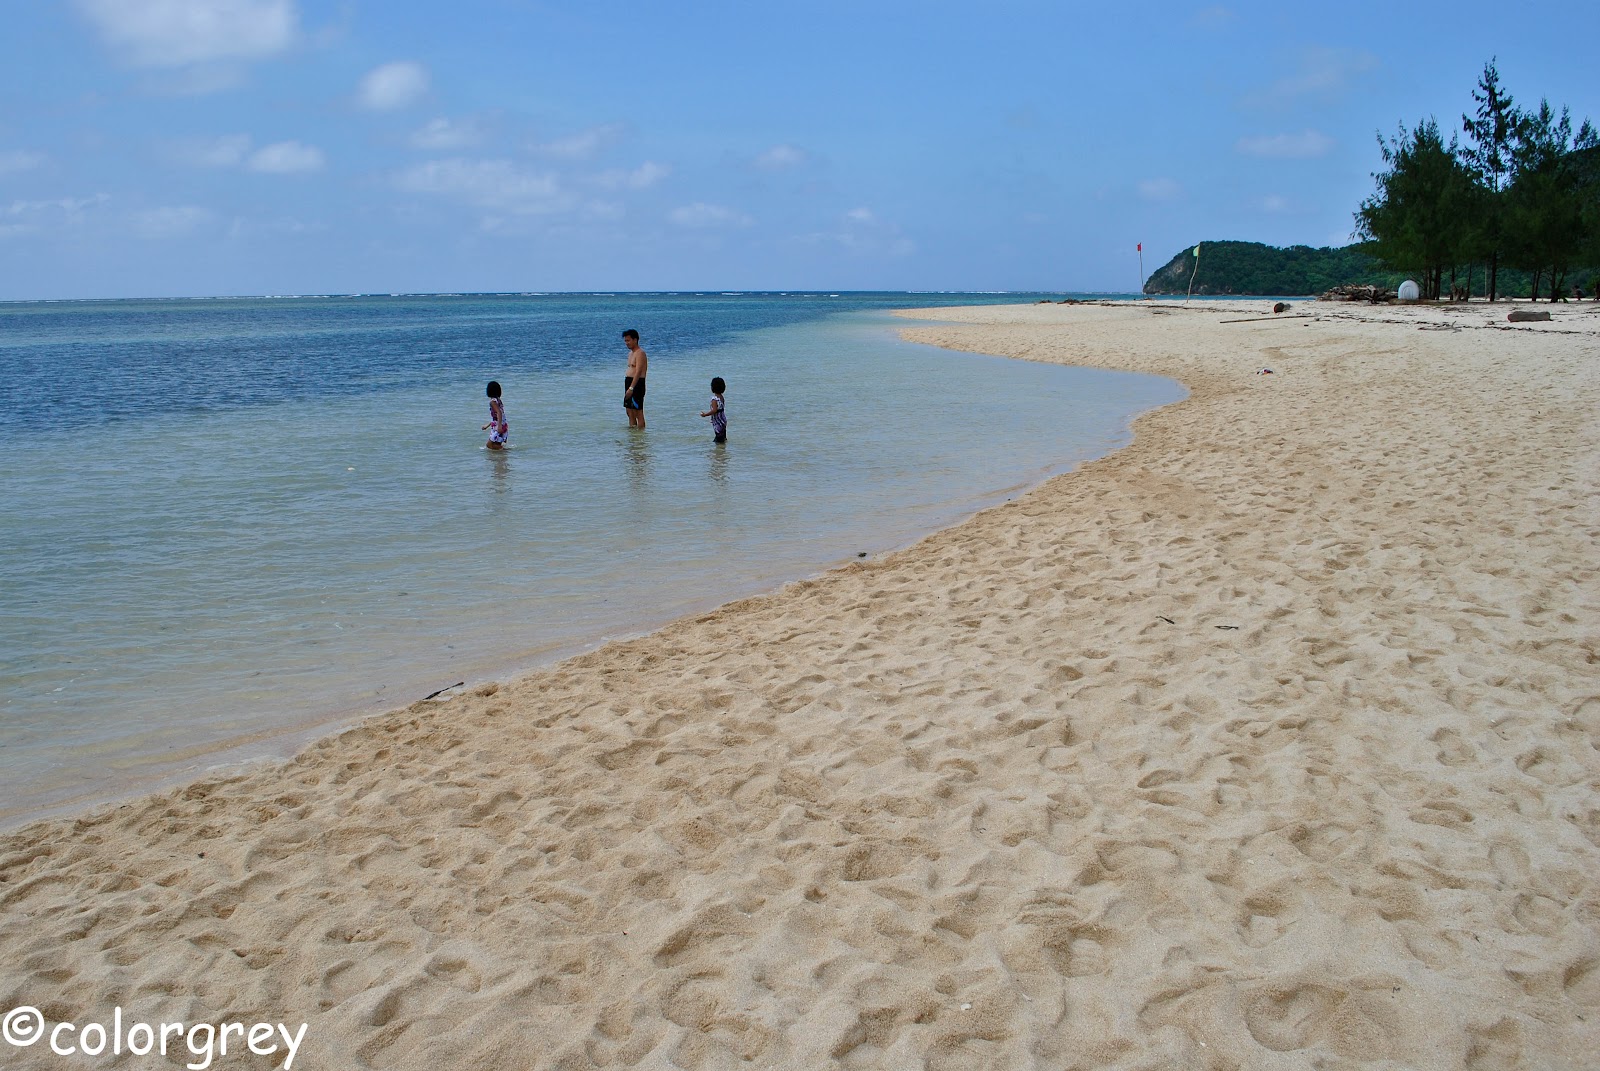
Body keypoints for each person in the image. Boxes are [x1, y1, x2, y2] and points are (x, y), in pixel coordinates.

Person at [622, 329, 647, 428]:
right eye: (625, 341)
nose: (626, 343)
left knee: (638, 412)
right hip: (629, 382)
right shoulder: (630, 354)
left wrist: (631, 388)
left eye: (628, 340)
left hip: (637, 384)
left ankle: (641, 438)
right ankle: (633, 437)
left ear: (635, 340)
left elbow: (638, 372)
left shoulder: (640, 353)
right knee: (629, 411)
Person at [482, 380, 508, 450]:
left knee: (489, 445)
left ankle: (506, 451)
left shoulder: (492, 402)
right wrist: (487, 425)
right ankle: (501, 458)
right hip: (502, 424)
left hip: (499, 425)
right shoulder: (498, 400)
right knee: (496, 445)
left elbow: (499, 413)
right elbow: (496, 416)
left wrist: (499, 426)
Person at [700, 377, 727, 443]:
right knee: (723, 436)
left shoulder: (714, 399)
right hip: (723, 420)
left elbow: (714, 410)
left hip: (718, 422)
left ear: (713, 388)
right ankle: (723, 448)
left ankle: (719, 450)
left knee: (719, 438)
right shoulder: (721, 397)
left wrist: (705, 414)